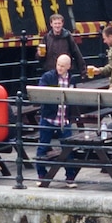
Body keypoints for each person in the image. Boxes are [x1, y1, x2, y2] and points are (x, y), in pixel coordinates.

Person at [34, 56, 80, 187]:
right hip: (49, 118)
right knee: (43, 146)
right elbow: (41, 92)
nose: (59, 68)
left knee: (67, 149)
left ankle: (70, 177)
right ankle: (41, 175)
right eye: (58, 64)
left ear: (68, 67)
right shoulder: (48, 77)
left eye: (62, 66)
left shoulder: (72, 79)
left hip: (64, 120)